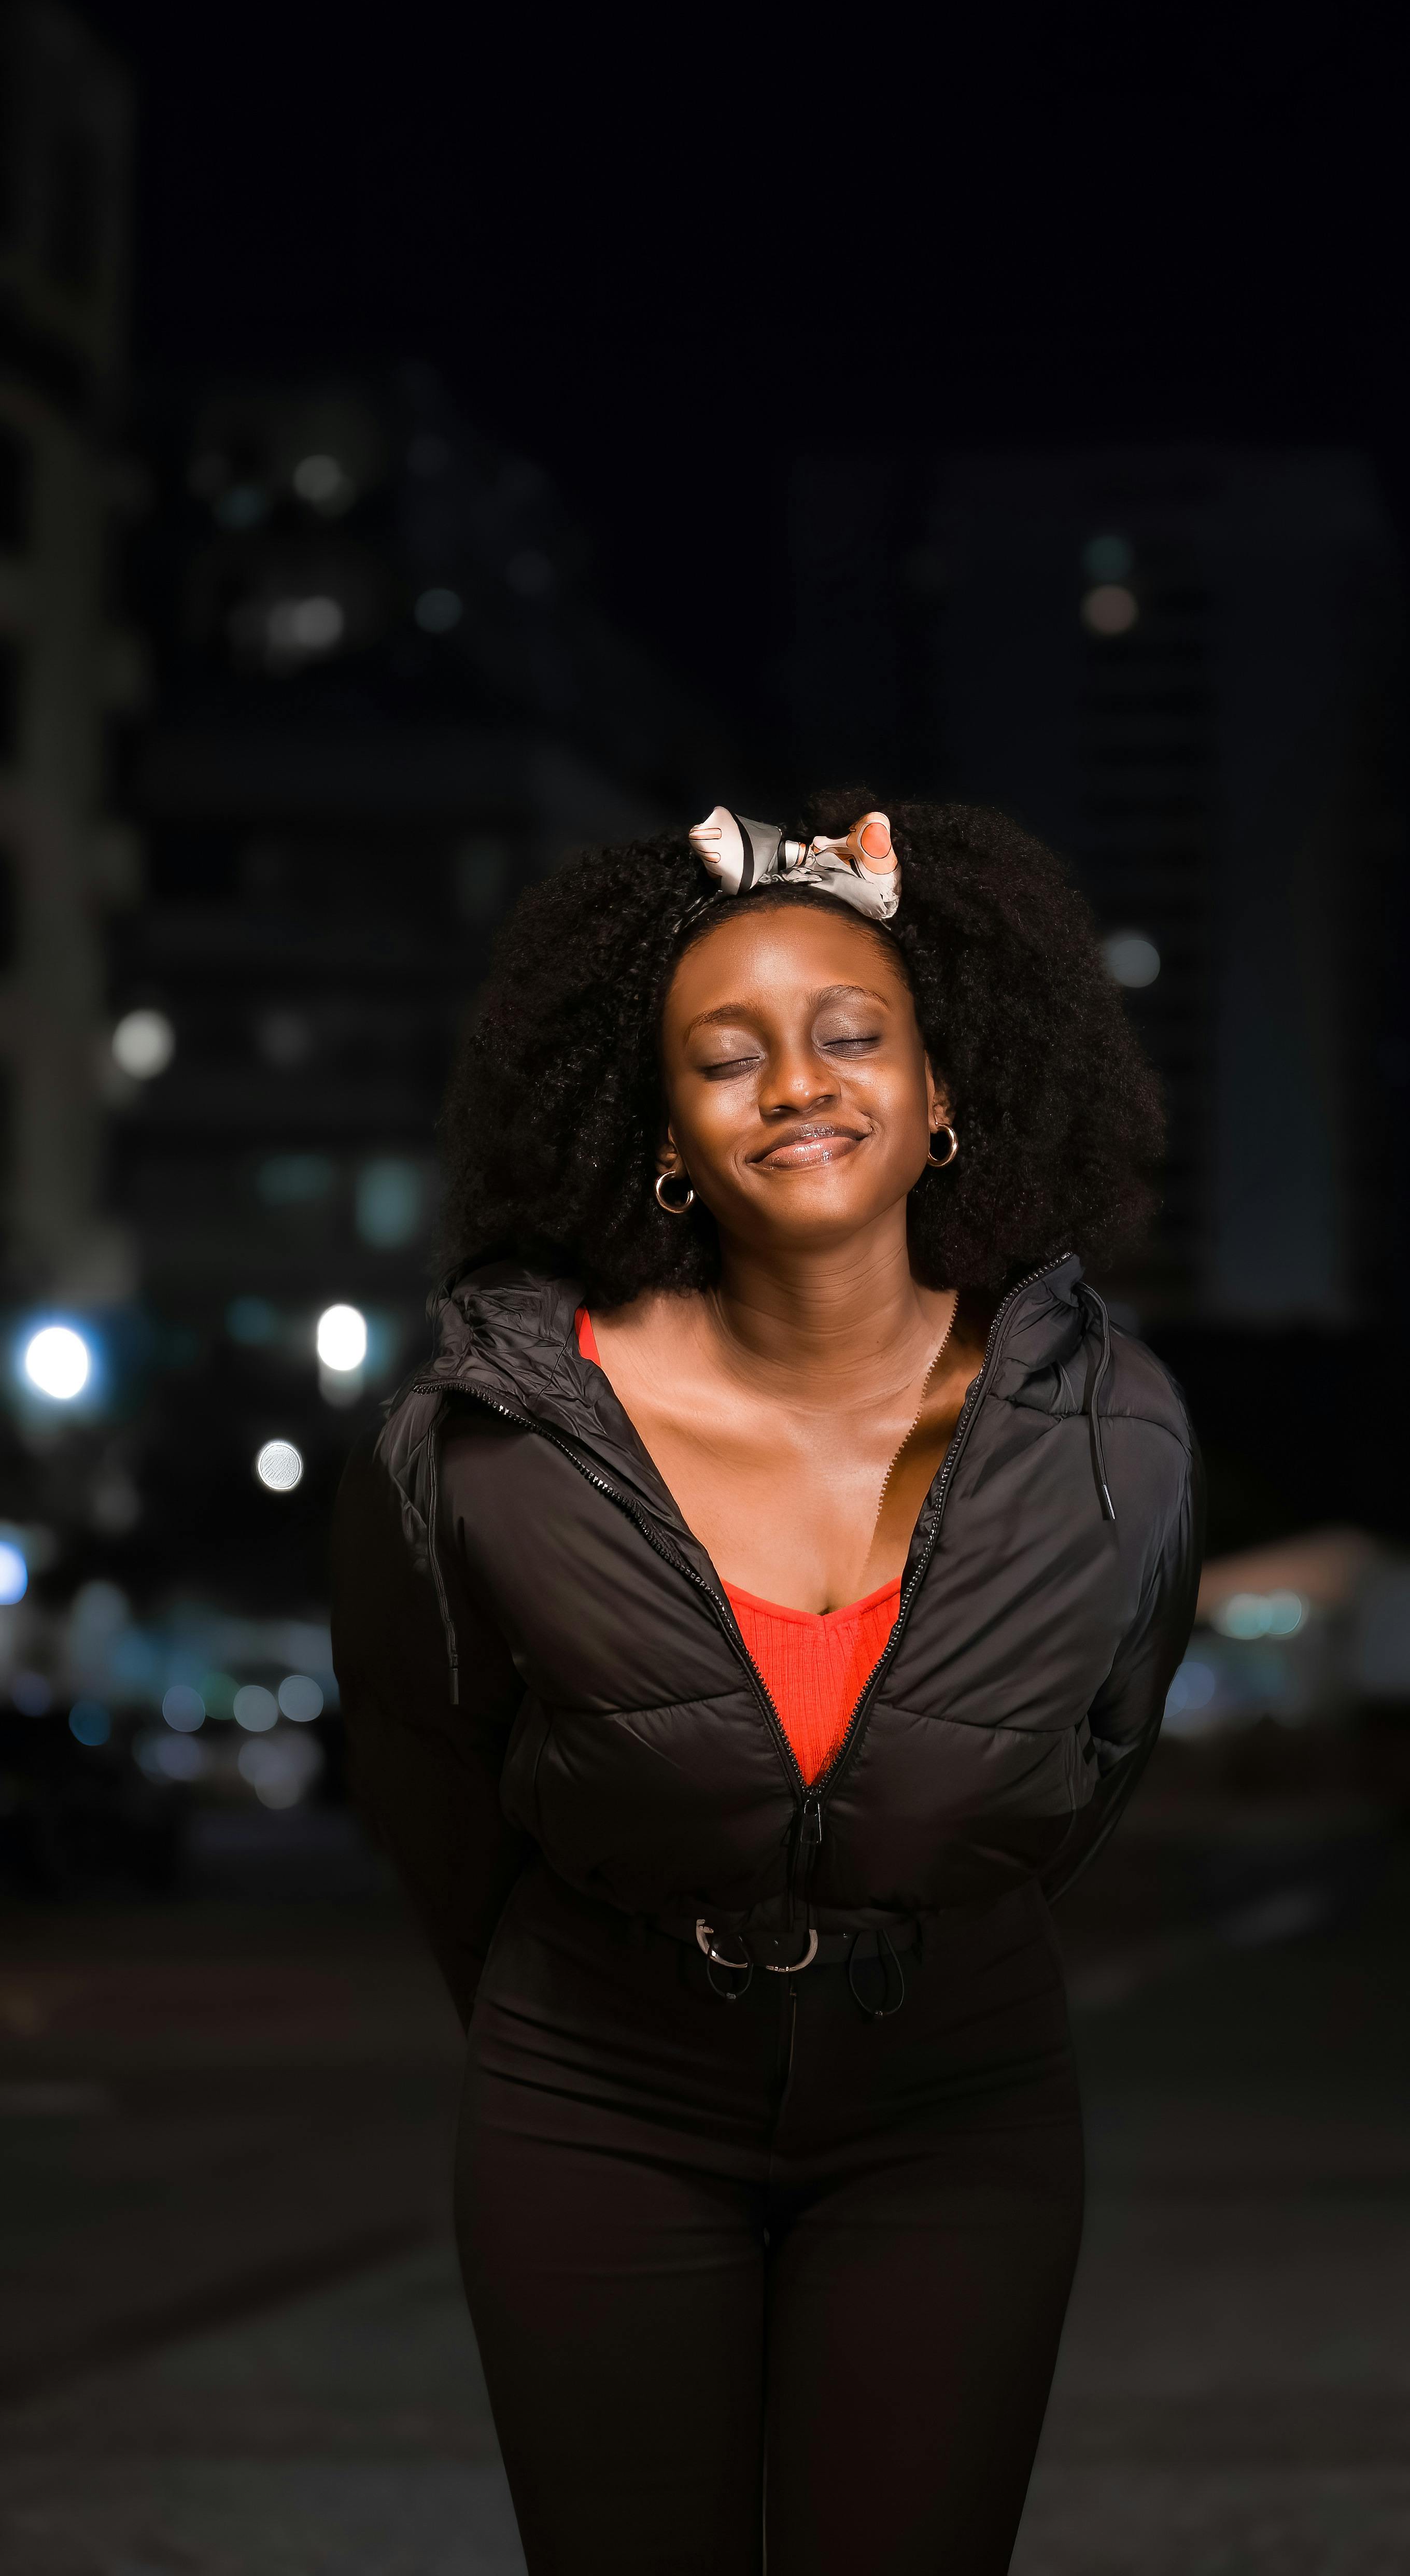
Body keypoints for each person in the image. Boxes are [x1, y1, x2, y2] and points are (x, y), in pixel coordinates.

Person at [332, 795, 1200, 2575]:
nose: (795, 1082)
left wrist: (898, 1913)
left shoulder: (1115, 1435)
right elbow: (429, 1783)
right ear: (662, 1132)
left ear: (945, 1093)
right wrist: (599, 1985)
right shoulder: (487, 1437)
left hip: (955, 2103)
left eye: (851, 1035)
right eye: (724, 1058)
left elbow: (1084, 1770)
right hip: (596, 2099)